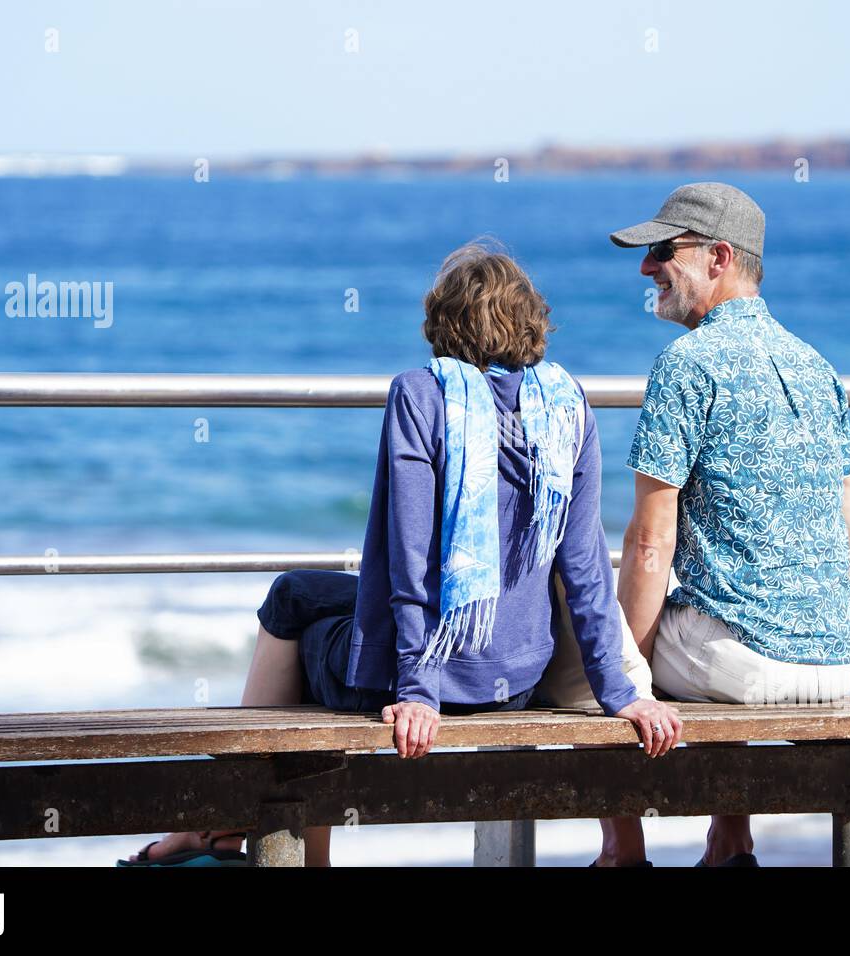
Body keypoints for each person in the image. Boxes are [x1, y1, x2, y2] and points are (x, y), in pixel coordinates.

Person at [120, 241, 682, 867]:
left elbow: (413, 559)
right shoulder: (566, 403)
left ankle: (238, 828)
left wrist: (418, 690)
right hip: (513, 677)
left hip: (440, 679)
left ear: (443, 324)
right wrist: (621, 691)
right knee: (294, 592)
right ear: (530, 323)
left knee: (301, 646)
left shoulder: (420, 395)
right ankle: (231, 829)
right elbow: (582, 568)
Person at [593, 183, 850, 867]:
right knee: (716, 608)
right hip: (840, 663)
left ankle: (622, 850)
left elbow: (651, 542)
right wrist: (810, 629)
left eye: (663, 251)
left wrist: (621, 673)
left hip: (745, 666)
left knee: (594, 640)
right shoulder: (815, 366)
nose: (645, 267)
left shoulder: (685, 367)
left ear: (719, 257)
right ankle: (730, 839)